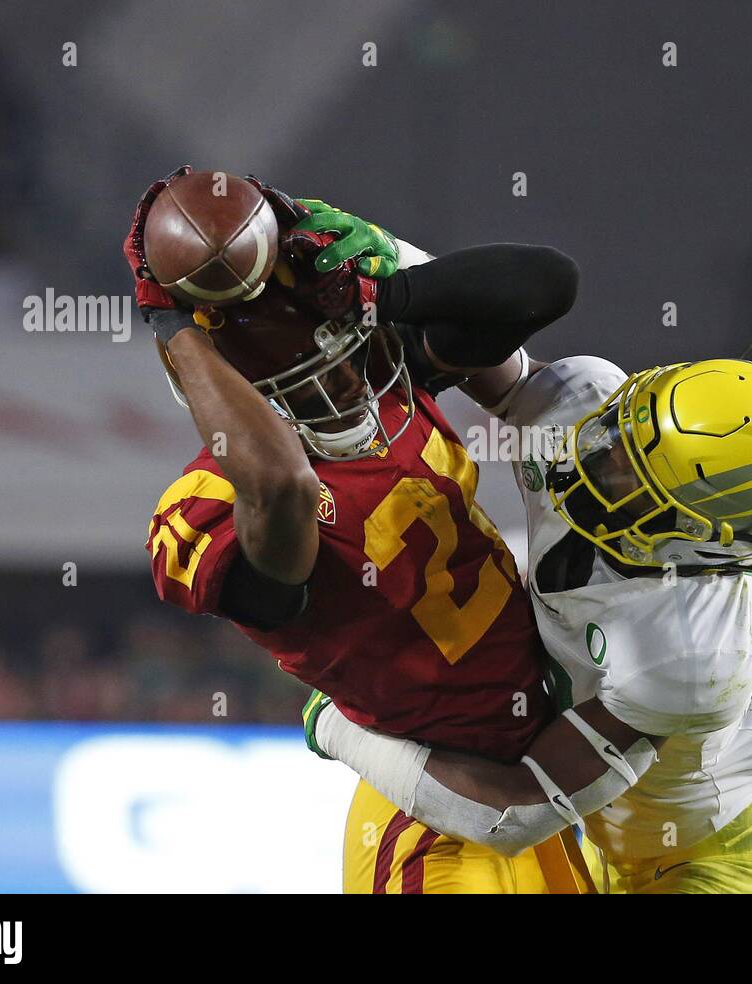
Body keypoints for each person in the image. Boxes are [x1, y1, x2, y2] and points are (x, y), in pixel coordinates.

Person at [306, 352, 752, 894]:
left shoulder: (694, 652)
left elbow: (513, 812)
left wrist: (340, 726)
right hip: (608, 835)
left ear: (700, 538)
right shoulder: (586, 406)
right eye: (627, 431)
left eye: (638, 475)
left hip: (708, 865)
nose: (603, 455)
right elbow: (470, 340)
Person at [127, 166, 592, 893]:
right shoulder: (206, 505)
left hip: (549, 769)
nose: (348, 387)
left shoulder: (385, 382)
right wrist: (178, 332)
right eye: (310, 381)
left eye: (347, 356)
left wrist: (389, 282)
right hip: (437, 816)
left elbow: (547, 283)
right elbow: (282, 484)